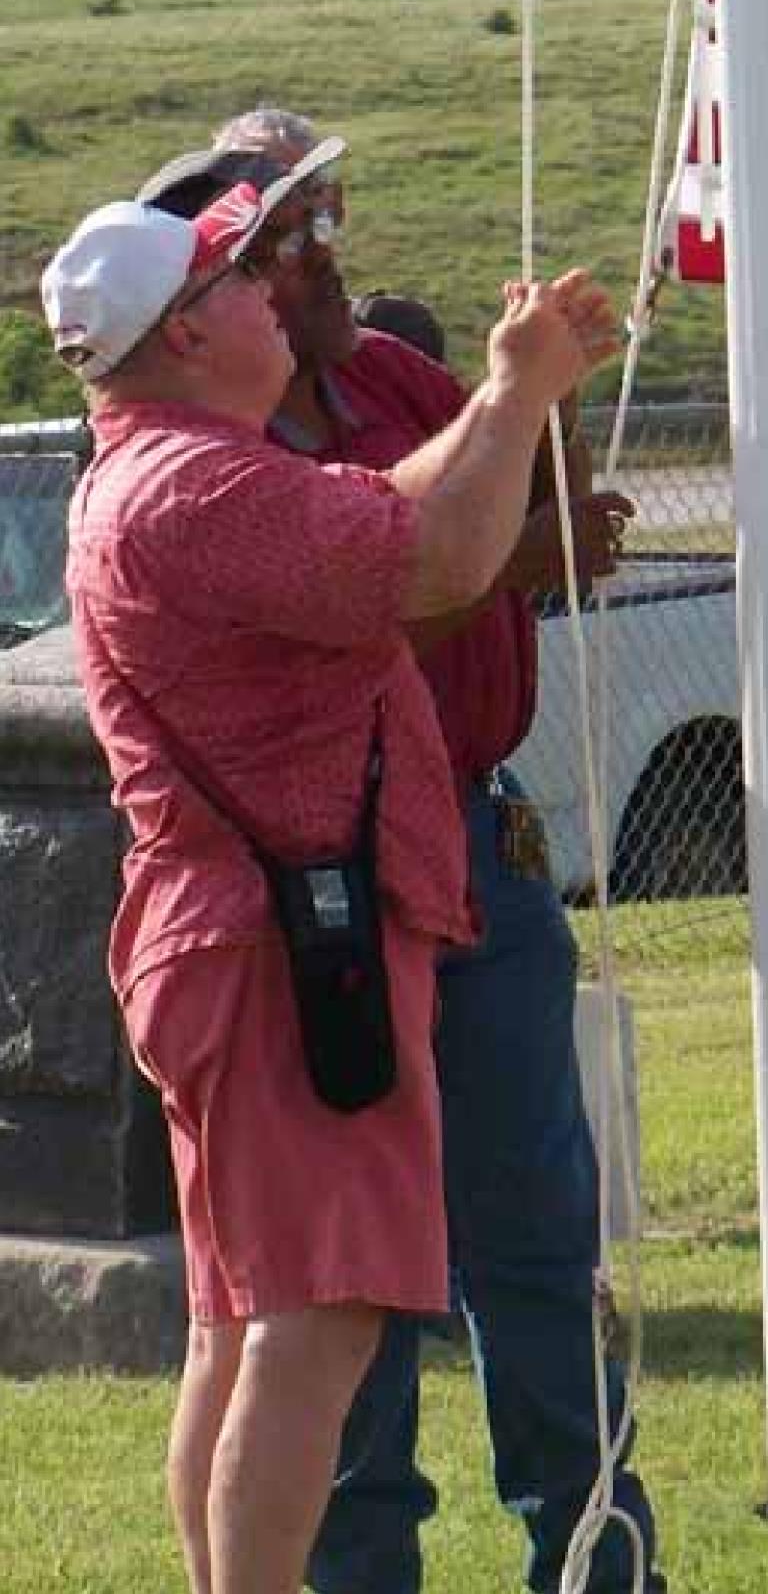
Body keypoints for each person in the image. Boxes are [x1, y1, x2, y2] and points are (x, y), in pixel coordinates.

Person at [43, 148, 618, 1594]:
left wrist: (504, 404)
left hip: (247, 944)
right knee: (316, 1326)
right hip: (286, 953)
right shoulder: (200, 488)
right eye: (243, 275)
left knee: (244, 1330)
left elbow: (394, 525)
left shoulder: (178, 473)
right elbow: (431, 553)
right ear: (185, 332)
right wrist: (515, 389)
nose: (274, 294)